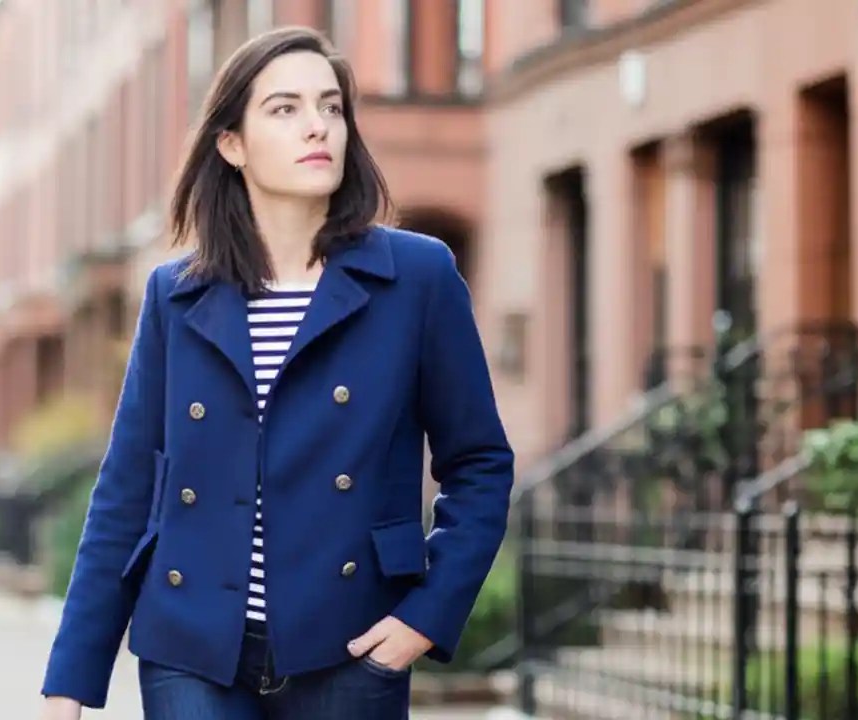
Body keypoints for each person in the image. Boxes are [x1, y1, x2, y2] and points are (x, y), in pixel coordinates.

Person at [40, 26, 513, 720]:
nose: (316, 126)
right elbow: (127, 488)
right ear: (231, 144)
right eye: (285, 109)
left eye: (331, 106)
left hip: (349, 648)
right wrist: (69, 683)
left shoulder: (415, 278)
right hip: (191, 652)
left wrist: (422, 621)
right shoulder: (178, 295)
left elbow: (479, 463)